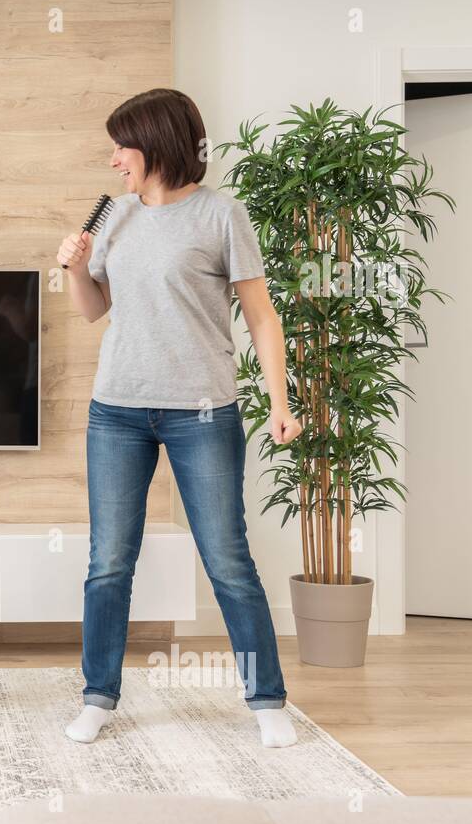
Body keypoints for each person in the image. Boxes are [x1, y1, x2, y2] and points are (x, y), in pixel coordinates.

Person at [57, 88, 302, 748]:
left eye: (121, 146)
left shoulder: (222, 214)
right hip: (117, 411)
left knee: (226, 557)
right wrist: (76, 270)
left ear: (157, 142)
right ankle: (98, 695)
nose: (113, 160)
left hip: (202, 410)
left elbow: (262, 317)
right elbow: (91, 308)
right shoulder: (115, 216)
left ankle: (268, 699)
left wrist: (281, 402)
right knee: (109, 561)